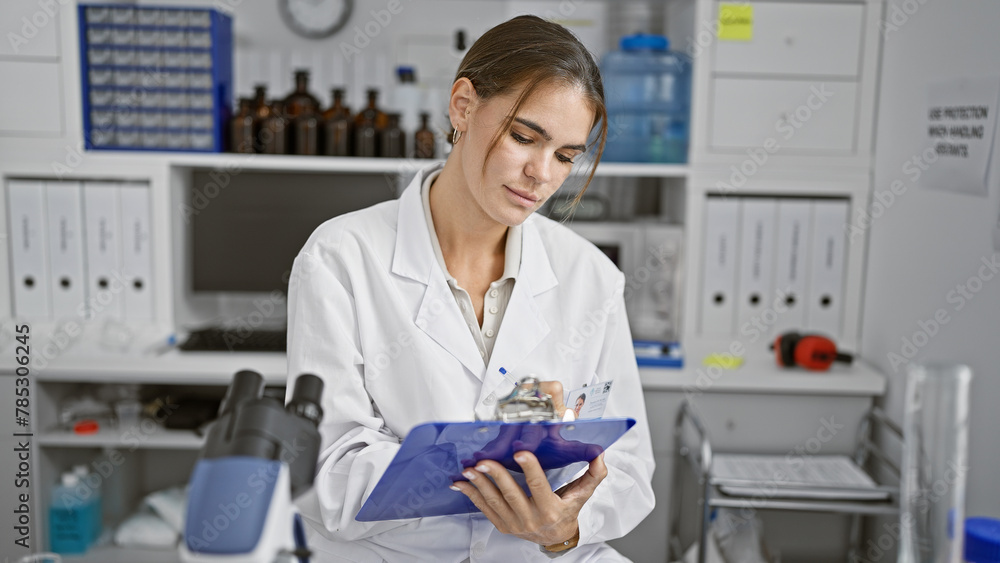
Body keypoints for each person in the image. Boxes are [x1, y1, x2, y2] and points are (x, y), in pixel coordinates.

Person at [285, 15, 655, 562]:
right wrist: (489, 463)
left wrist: (564, 528)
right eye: (524, 137)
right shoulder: (342, 257)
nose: (541, 175)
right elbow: (329, 474)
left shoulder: (589, 275)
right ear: (463, 106)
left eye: (565, 156)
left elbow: (628, 470)